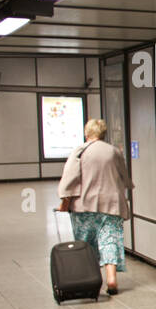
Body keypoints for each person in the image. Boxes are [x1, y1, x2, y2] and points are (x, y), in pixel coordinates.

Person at [56, 119, 134, 296]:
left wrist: (64, 201)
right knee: (110, 240)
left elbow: (69, 178)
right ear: (104, 133)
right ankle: (112, 278)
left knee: (87, 243)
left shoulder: (80, 151)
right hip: (112, 204)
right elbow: (124, 177)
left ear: (87, 133)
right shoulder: (113, 151)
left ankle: (92, 279)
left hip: (85, 205)